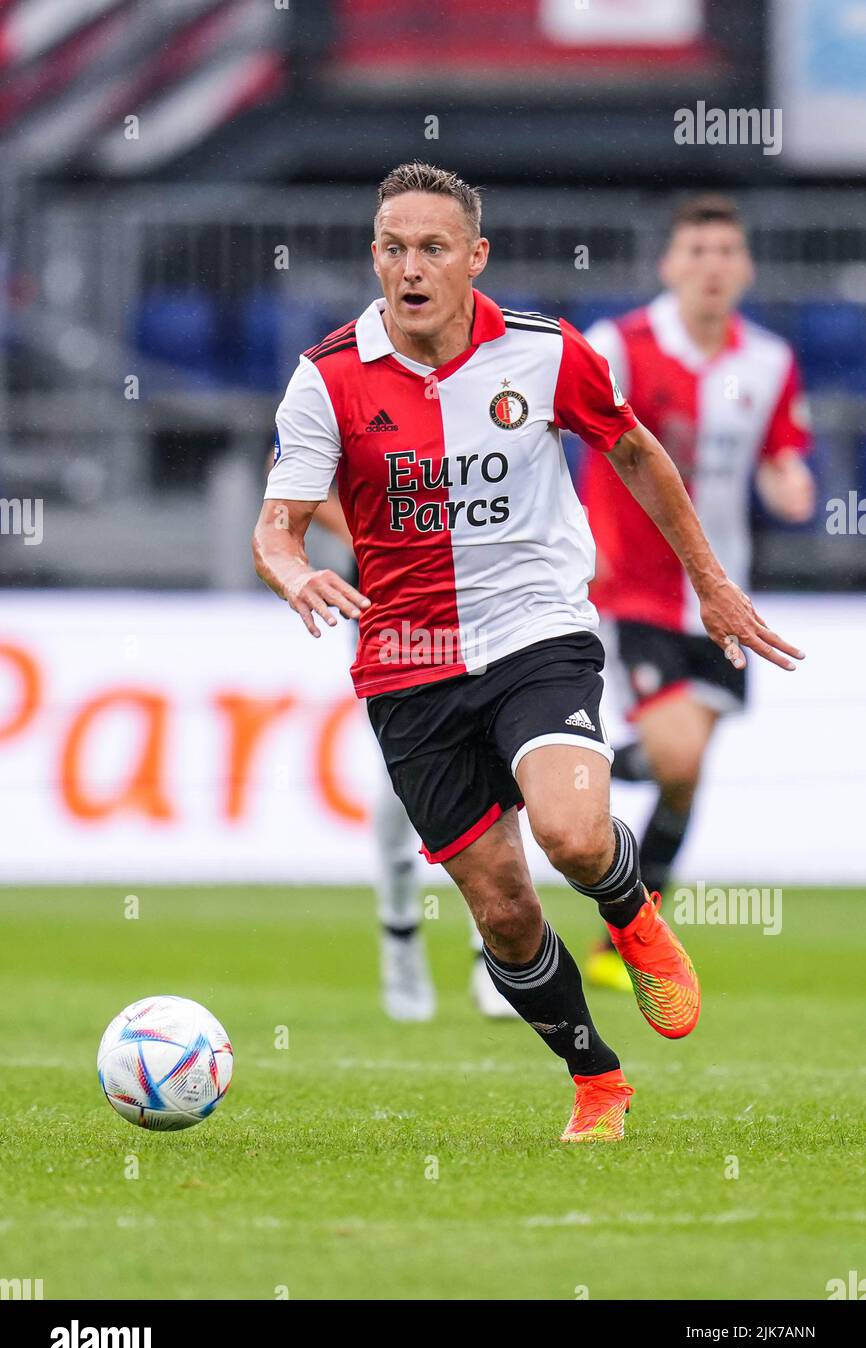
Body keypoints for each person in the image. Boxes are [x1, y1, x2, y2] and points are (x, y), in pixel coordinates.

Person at [253, 162, 804, 1143]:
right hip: (406, 659)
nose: (409, 268)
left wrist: (711, 582)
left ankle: (631, 917)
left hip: (534, 630)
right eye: (392, 247)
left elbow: (633, 449)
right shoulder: (325, 376)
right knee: (502, 909)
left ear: (475, 257)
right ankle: (596, 1080)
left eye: (432, 248)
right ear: (374, 256)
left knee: (574, 834)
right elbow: (276, 524)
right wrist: (292, 571)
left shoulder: (545, 354)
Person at [580, 194, 815, 989]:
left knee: (683, 770)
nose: (713, 265)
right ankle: (549, 778)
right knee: (678, 750)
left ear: (745, 268)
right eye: (698, 250)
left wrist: (791, 481)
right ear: (670, 265)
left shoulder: (770, 362)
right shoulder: (620, 346)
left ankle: (621, 945)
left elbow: (782, 450)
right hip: (636, 586)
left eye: (727, 251)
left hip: (724, 595)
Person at [309, 486, 516, 1022]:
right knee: (401, 779)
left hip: (487, 595)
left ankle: (494, 958)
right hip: (393, 601)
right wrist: (377, 535)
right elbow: (286, 475)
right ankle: (399, 932)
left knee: (494, 767)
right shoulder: (341, 398)